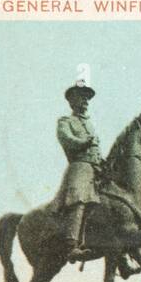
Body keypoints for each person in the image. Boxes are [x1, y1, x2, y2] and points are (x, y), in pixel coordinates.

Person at [54, 80, 102, 263]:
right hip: (79, 167)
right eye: (82, 98)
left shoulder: (89, 124)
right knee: (79, 200)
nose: (86, 102)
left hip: (95, 167)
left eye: (87, 99)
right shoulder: (66, 122)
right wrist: (84, 143)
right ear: (72, 101)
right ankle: (71, 246)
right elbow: (67, 140)